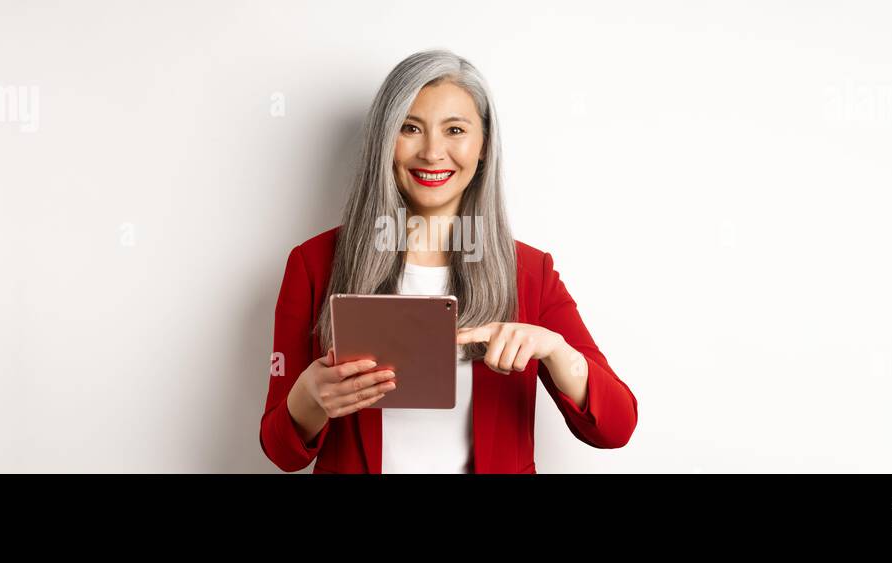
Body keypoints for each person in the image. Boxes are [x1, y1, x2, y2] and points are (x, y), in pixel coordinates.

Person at [259, 49, 637, 473]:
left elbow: (616, 428)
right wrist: (309, 396)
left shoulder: (531, 273)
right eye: (410, 128)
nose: (432, 152)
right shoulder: (313, 264)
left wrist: (555, 350)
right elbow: (281, 453)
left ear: (483, 146)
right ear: (385, 141)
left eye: (455, 129)